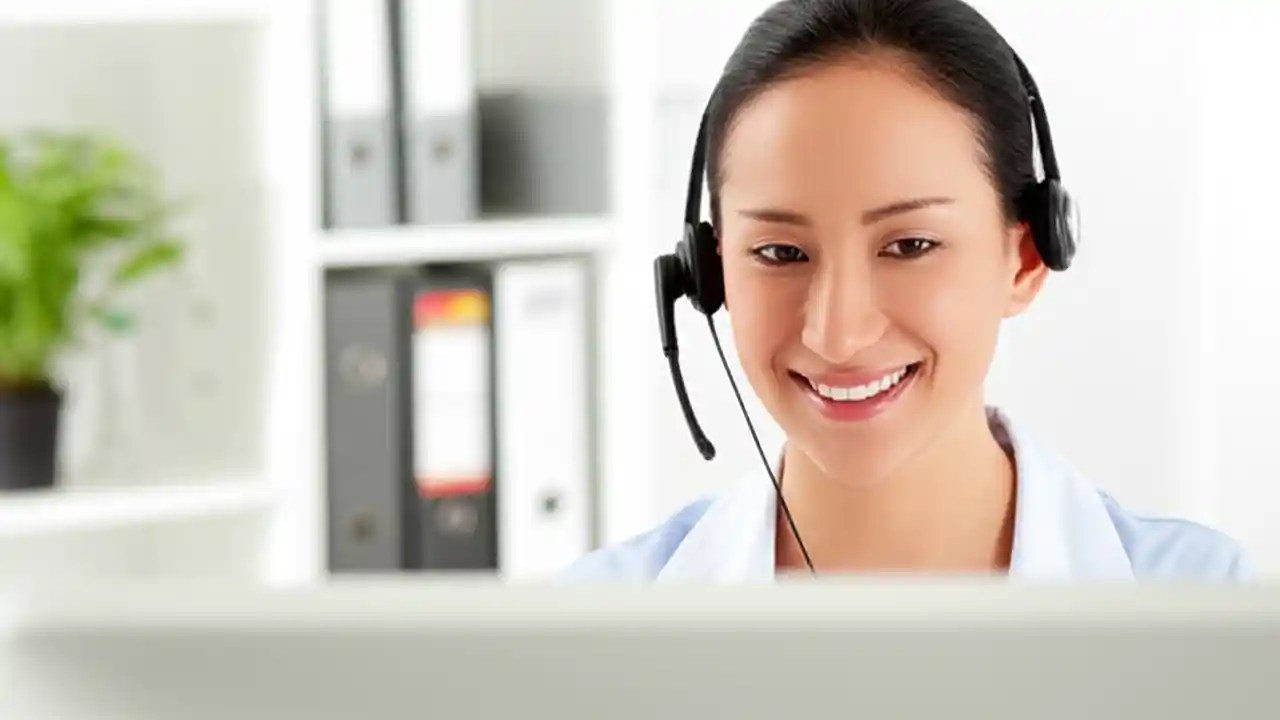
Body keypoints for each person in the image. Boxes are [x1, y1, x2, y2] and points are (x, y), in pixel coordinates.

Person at [566, 0, 1251, 582]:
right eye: (780, 252)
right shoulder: (585, 640)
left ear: (1027, 257)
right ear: (709, 277)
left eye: (910, 246)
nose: (837, 333)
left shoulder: (1217, 613)